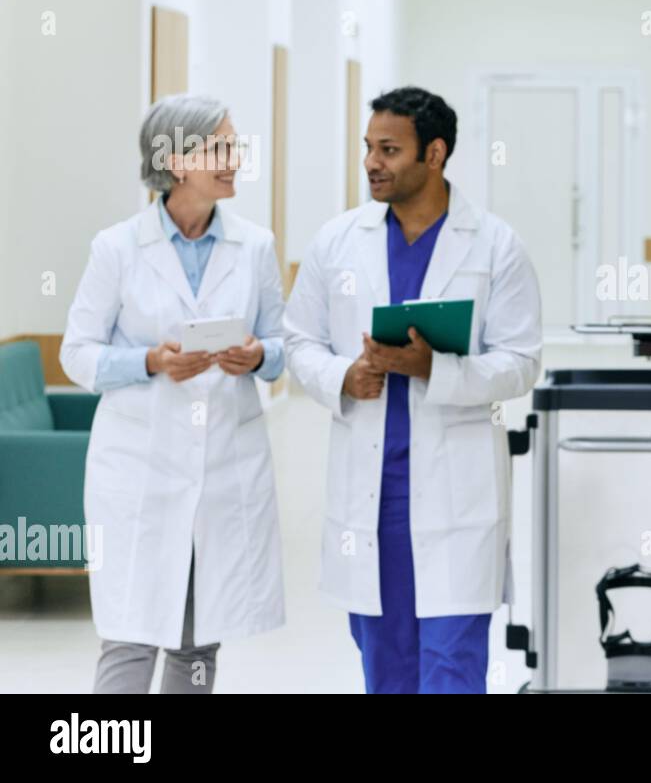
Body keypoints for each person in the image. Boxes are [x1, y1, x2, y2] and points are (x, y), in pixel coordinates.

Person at [285, 86, 542, 693]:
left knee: (452, 666)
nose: (373, 162)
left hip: (458, 493)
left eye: (390, 149)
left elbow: (521, 362)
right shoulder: (336, 242)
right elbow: (297, 342)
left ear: (434, 153)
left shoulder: (496, 245)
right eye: (369, 148)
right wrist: (343, 375)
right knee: (386, 669)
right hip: (370, 498)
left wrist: (434, 370)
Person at [61, 94, 287, 693]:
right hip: (139, 471)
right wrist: (150, 361)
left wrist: (259, 355)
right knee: (130, 637)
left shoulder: (255, 246)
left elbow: (283, 344)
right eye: (221, 147)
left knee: (198, 640)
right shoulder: (116, 248)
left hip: (222, 466)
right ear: (177, 159)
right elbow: (76, 353)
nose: (235, 158)